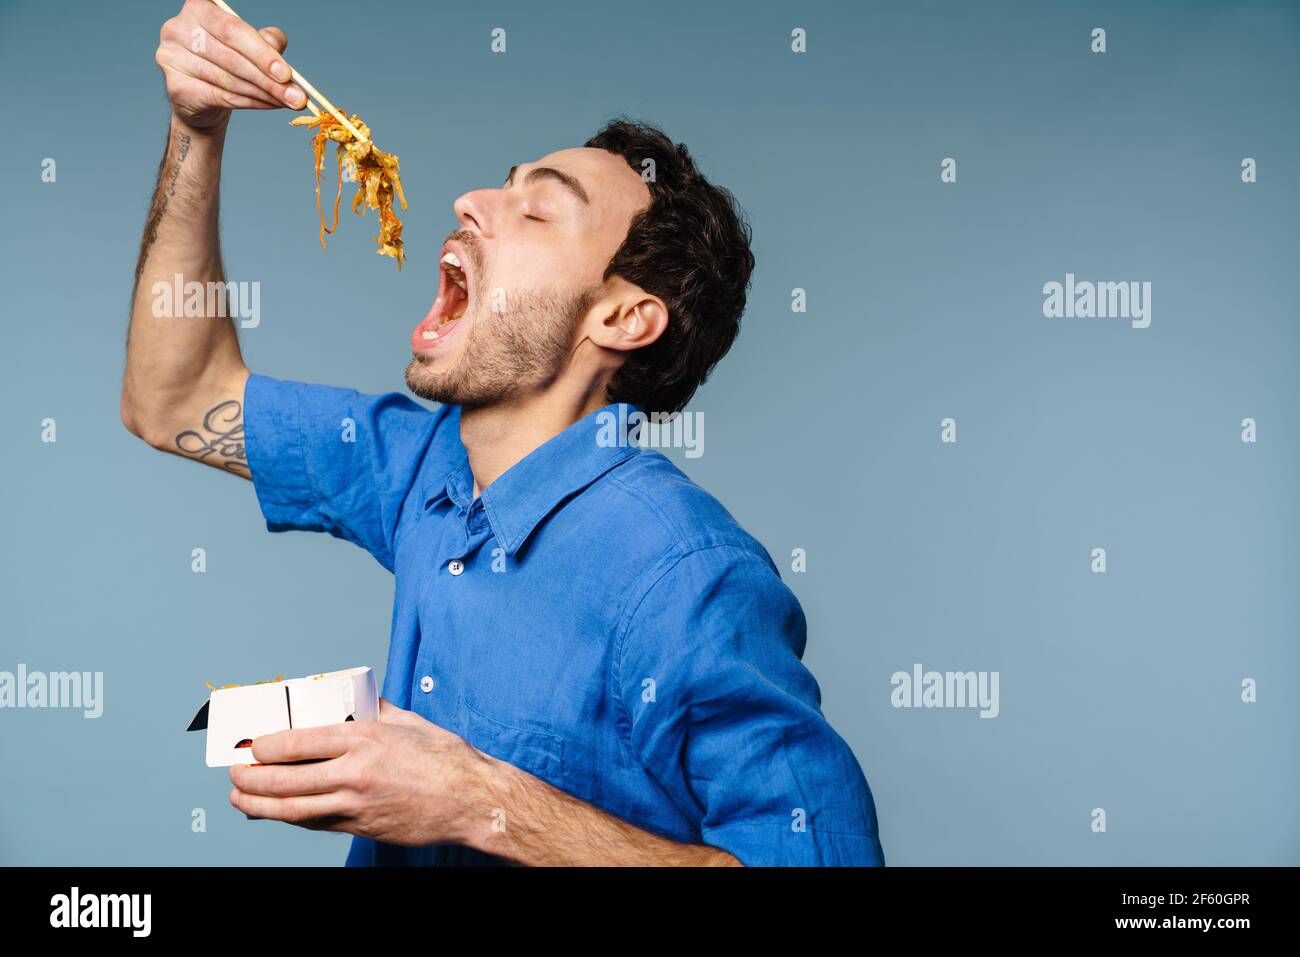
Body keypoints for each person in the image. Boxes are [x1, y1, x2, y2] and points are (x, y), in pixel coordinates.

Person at [123, 0, 885, 866]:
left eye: (537, 212)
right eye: (503, 181)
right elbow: (175, 398)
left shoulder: (688, 578)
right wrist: (199, 129)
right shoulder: (424, 468)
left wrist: (481, 801)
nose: (470, 201)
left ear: (625, 317)